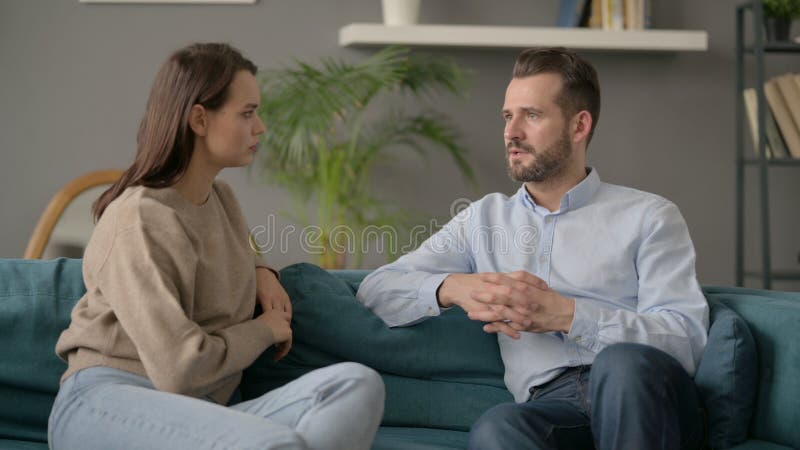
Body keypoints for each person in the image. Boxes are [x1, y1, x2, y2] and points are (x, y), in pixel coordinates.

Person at [356, 47, 708, 450]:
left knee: (622, 364)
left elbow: (687, 340)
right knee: (498, 428)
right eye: (508, 116)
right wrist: (453, 288)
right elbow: (376, 289)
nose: (512, 132)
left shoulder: (650, 216)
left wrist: (569, 316)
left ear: (579, 126)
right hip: (554, 407)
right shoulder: (482, 220)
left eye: (532, 115)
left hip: (645, 395)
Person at [49, 43, 384, 450]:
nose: (260, 127)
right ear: (199, 119)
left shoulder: (222, 199)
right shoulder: (139, 217)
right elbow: (179, 369)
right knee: (275, 444)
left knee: (357, 384)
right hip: (112, 400)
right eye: (247, 113)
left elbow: (229, 245)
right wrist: (262, 330)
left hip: (206, 411)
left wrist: (262, 270)